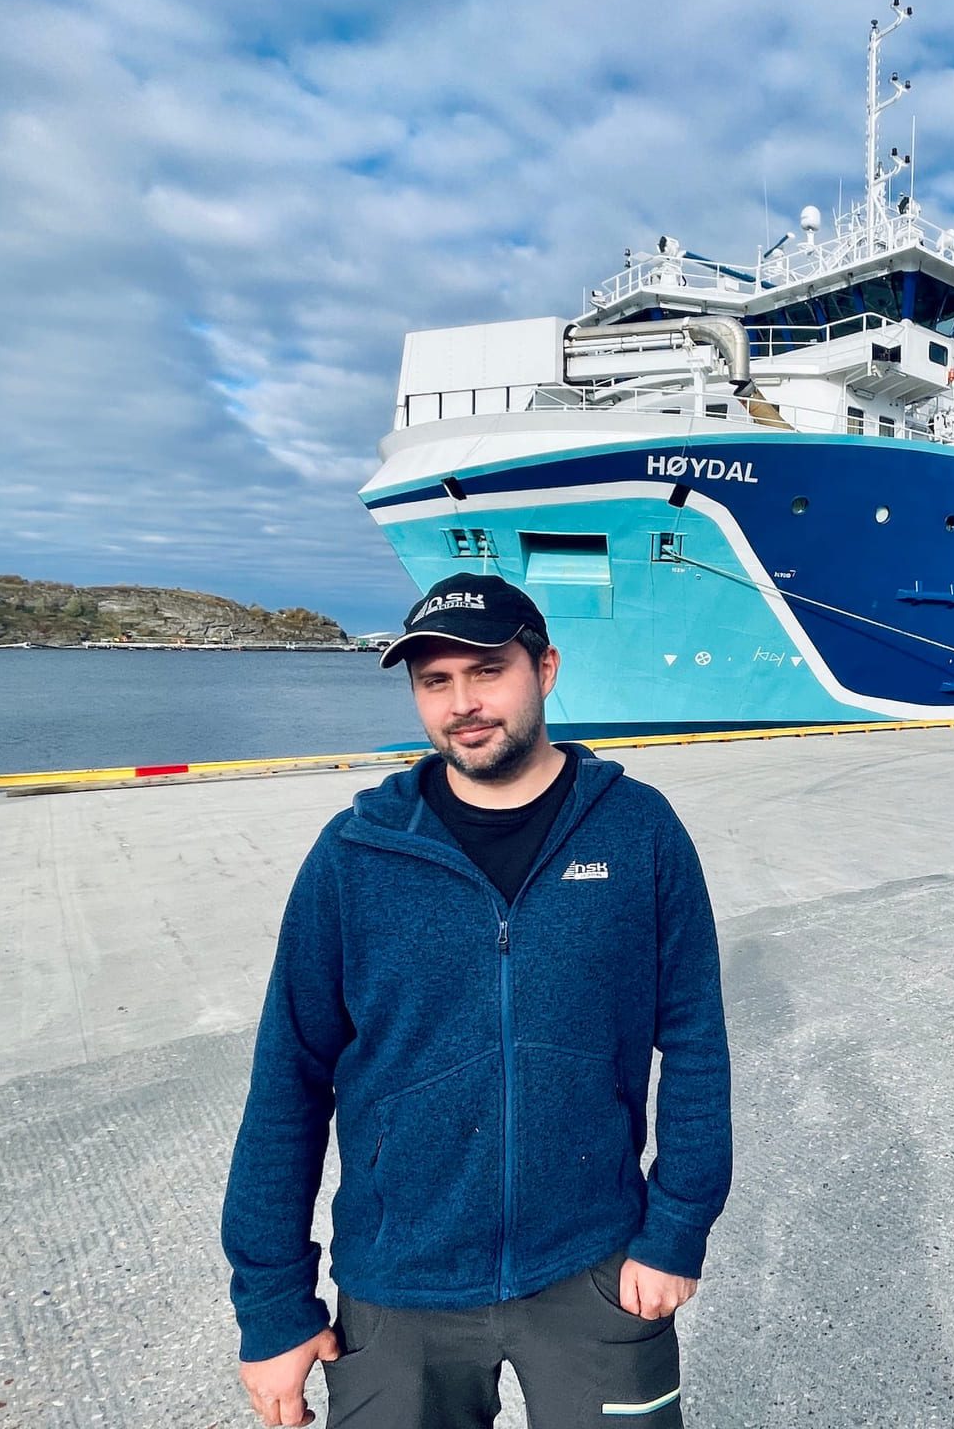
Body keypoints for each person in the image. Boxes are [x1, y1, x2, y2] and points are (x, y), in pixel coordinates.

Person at [221, 572, 732, 1428]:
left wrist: (676, 1225)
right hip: (398, 1285)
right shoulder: (354, 857)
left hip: (597, 1269)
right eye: (436, 681)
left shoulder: (639, 831)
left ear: (545, 669)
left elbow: (694, 1040)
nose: (463, 702)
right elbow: (288, 1079)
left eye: (487, 670)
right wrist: (273, 1304)